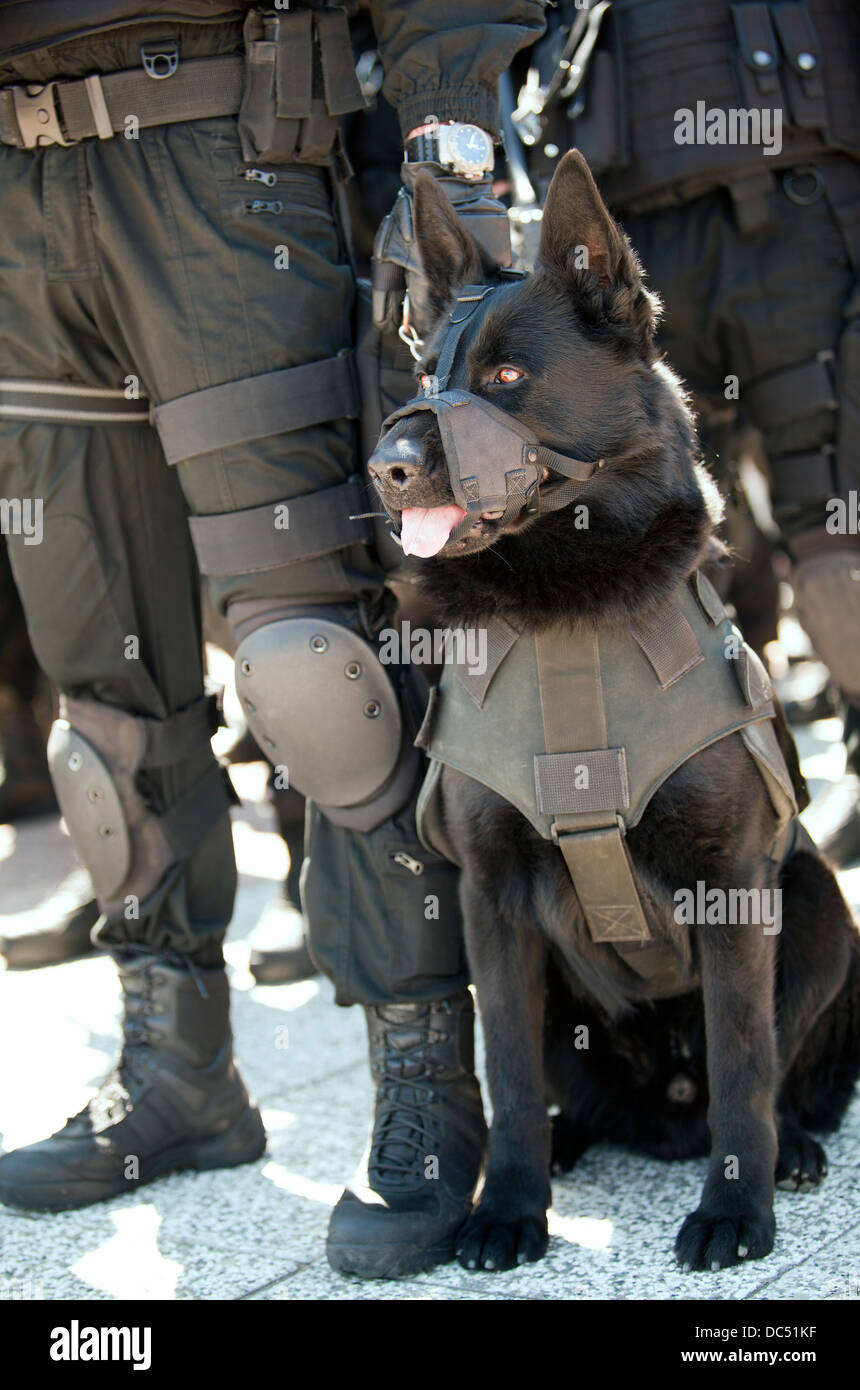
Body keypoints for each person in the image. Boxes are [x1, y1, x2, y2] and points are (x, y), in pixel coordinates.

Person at [0, 0, 545, 1280]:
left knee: (316, 670)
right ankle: (174, 1068)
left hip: (220, 154)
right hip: (17, 201)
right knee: (102, 701)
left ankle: (422, 1071)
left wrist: (448, 128)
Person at [518, 0, 860, 862]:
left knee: (844, 555)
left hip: (800, 196)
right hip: (618, 223)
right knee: (686, 557)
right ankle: (736, 816)